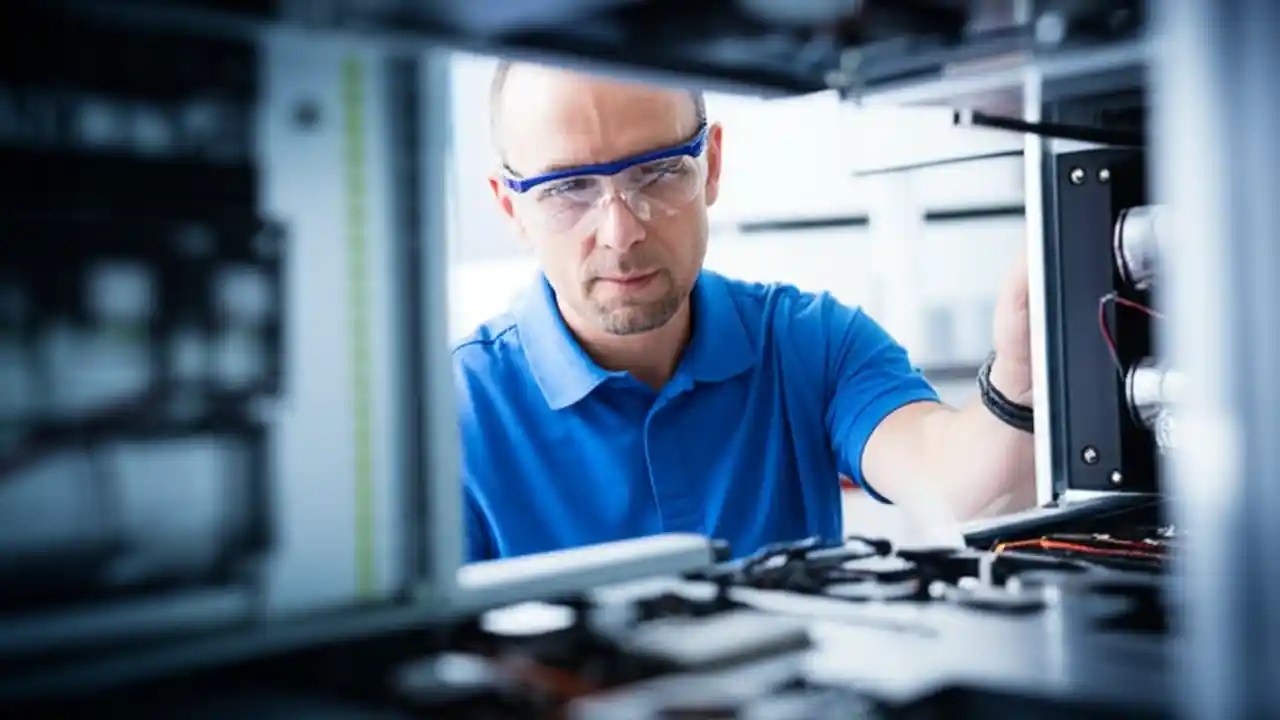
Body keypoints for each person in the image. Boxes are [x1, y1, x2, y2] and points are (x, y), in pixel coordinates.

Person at [454, 60, 1036, 562]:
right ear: (512, 208)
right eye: (567, 188)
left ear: (711, 163)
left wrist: (1019, 372)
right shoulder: (450, 419)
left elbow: (958, 487)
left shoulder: (811, 344)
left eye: (657, 172)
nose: (621, 231)